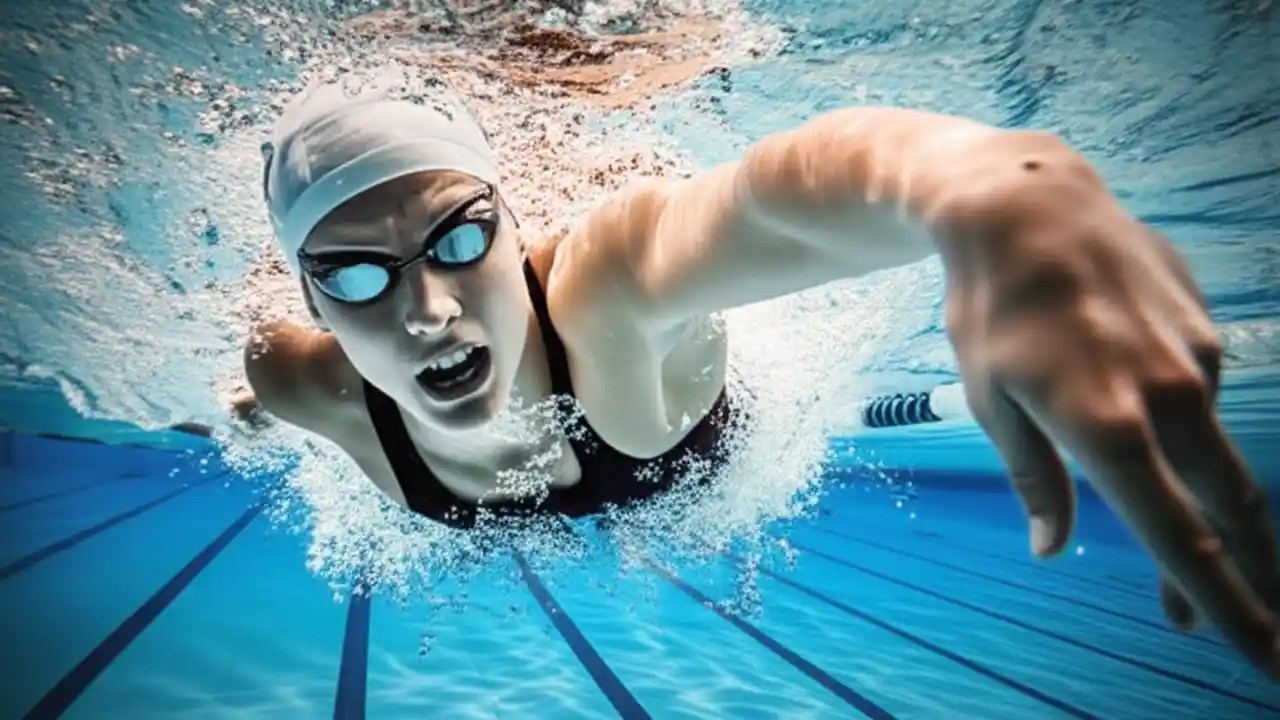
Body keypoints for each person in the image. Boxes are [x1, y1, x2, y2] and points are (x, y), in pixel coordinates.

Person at [242, 77, 1279, 678]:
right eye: (358, 276)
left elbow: (762, 198)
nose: (425, 311)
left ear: (514, 231)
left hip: (693, 428)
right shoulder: (306, 387)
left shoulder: (604, 291)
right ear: (313, 304)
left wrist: (989, 195)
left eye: (460, 240)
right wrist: (248, 417)